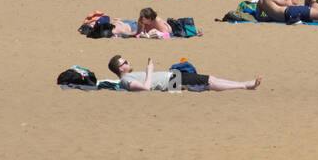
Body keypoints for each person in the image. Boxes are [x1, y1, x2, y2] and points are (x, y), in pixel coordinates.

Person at [108, 55, 262, 92]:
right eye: (125, 62)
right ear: (120, 69)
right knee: (209, 82)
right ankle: (244, 85)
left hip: (173, 76)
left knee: (210, 79)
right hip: (173, 82)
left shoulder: (127, 78)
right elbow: (146, 88)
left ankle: (243, 84)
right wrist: (149, 71)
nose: (128, 62)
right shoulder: (126, 81)